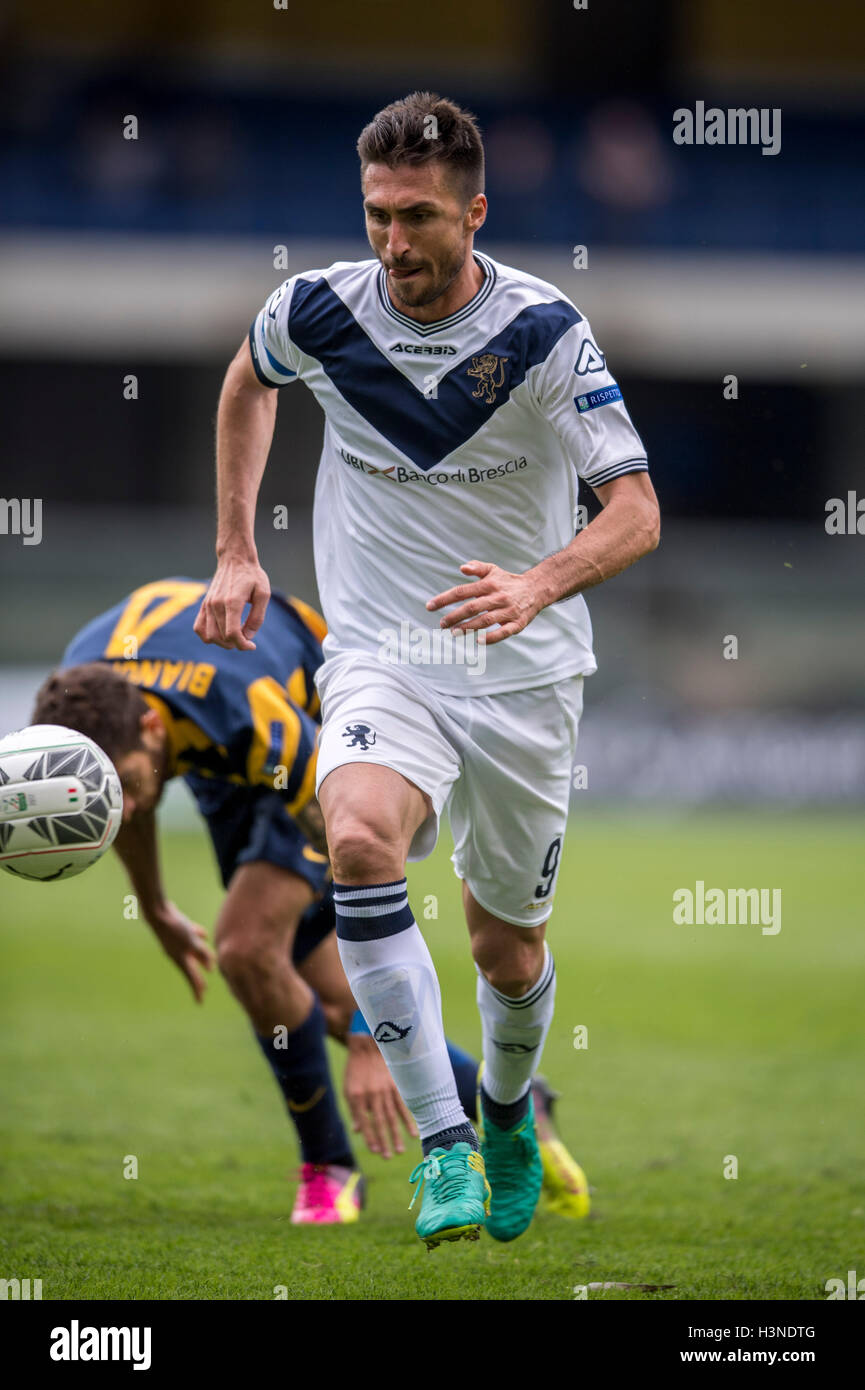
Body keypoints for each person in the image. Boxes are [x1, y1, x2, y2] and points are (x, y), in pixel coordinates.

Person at [194, 91, 659, 1249]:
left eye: (417, 217)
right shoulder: (315, 308)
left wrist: (535, 584)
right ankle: (444, 1144)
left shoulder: (545, 332)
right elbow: (248, 379)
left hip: (521, 671)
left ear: (475, 213)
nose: (392, 242)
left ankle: (506, 1115)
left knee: (506, 949)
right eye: (375, 215)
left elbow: (638, 512)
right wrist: (236, 549)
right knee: (354, 836)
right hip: (381, 653)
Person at [33, 577, 591, 1227]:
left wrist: (366, 1033)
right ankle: (514, 1104)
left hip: (323, 741)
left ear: (152, 728)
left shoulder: (252, 712)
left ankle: (328, 1169)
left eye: (129, 785)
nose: (126, 807)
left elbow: (356, 859)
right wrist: (155, 908)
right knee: (307, 990)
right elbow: (117, 805)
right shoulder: (84, 702)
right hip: (223, 769)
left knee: (246, 948)